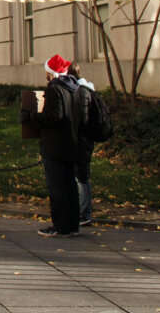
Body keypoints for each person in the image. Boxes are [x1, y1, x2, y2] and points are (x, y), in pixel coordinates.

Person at [20, 54, 82, 238]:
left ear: (51, 72)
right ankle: (72, 224)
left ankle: (61, 225)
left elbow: (52, 117)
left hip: (55, 146)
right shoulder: (75, 89)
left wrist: (31, 117)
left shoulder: (55, 89)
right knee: (70, 186)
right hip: (71, 144)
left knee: (58, 188)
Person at [70, 61, 95, 226]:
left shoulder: (82, 92)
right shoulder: (84, 90)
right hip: (83, 139)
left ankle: (85, 213)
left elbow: (82, 118)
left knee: (82, 176)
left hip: (82, 139)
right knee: (79, 175)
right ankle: (82, 210)